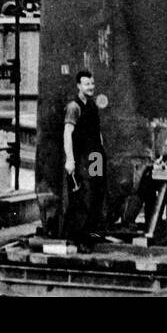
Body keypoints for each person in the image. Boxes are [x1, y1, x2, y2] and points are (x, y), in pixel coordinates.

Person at [62, 69, 105, 251]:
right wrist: (70, 160)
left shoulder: (93, 105)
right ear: (79, 86)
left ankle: (91, 236)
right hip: (82, 159)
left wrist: (102, 151)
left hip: (96, 158)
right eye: (87, 84)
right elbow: (67, 134)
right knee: (83, 198)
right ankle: (79, 240)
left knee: (96, 195)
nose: (91, 87)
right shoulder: (74, 107)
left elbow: (97, 132)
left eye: (92, 84)